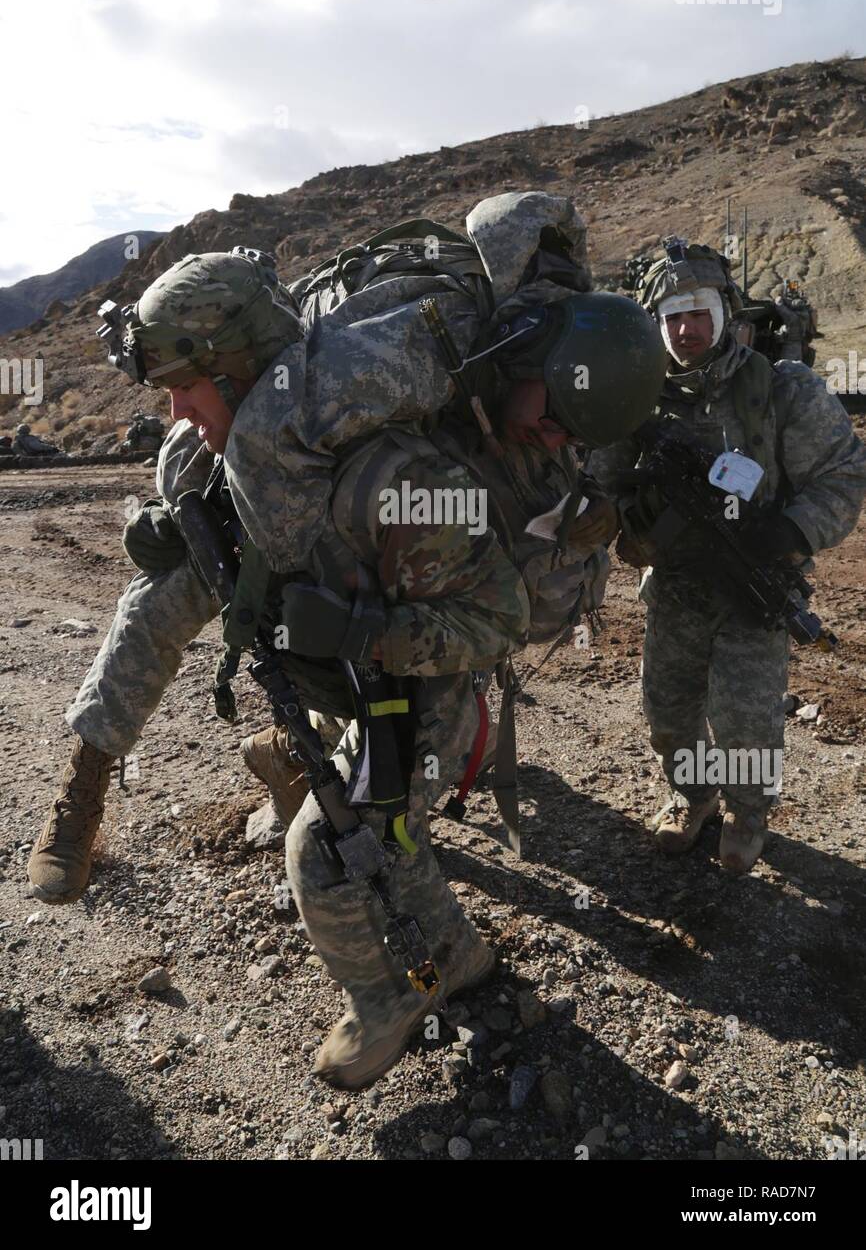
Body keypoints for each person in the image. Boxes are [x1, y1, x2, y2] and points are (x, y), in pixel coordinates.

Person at [30, 193, 666, 1088]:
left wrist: (373, 633)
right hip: (358, 627)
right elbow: (185, 498)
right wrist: (173, 518)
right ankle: (89, 788)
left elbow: (492, 618)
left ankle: (392, 996)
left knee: (333, 851)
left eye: (187, 389)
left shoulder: (390, 472)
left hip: (427, 654)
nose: (174, 410)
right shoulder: (251, 440)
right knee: (167, 595)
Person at [588, 239, 866, 873]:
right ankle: (694, 798)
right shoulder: (636, 397)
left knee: (746, 721)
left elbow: (844, 472)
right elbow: (599, 482)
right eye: (673, 316)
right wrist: (616, 526)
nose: (687, 328)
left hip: (753, 587)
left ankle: (747, 813)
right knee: (669, 712)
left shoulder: (779, 386)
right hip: (677, 587)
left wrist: (790, 533)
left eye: (699, 311)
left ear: (726, 312)